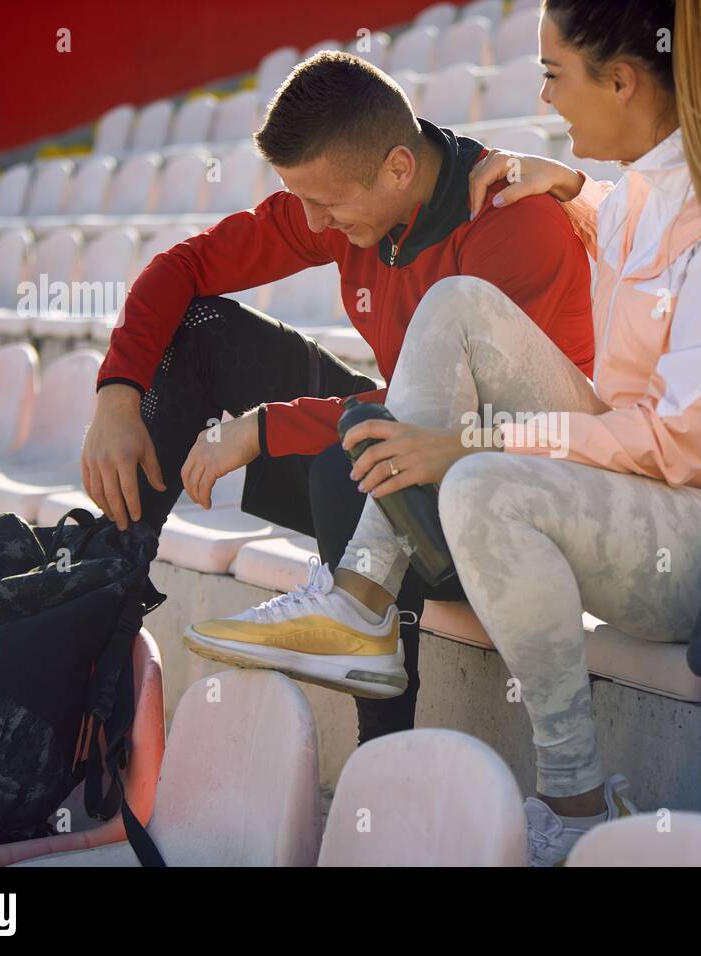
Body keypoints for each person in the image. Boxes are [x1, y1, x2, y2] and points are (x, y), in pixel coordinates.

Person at [186, 0, 701, 865]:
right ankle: (361, 599)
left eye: (555, 75)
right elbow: (653, 245)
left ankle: (578, 799)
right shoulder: (643, 189)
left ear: (622, 81)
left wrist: (471, 449)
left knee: (481, 485)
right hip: (649, 498)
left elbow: (670, 444)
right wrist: (579, 189)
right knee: (457, 306)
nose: (545, 99)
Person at [80, 51, 594, 743]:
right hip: (406, 453)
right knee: (198, 332)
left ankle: (384, 747)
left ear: (399, 168)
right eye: (303, 202)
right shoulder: (349, 202)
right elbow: (188, 265)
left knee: (351, 462)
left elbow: (465, 424)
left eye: (327, 203)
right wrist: (117, 393)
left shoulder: (511, 224)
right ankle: (97, 625)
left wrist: (269, 428)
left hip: (503, 495)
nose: (315, 225)